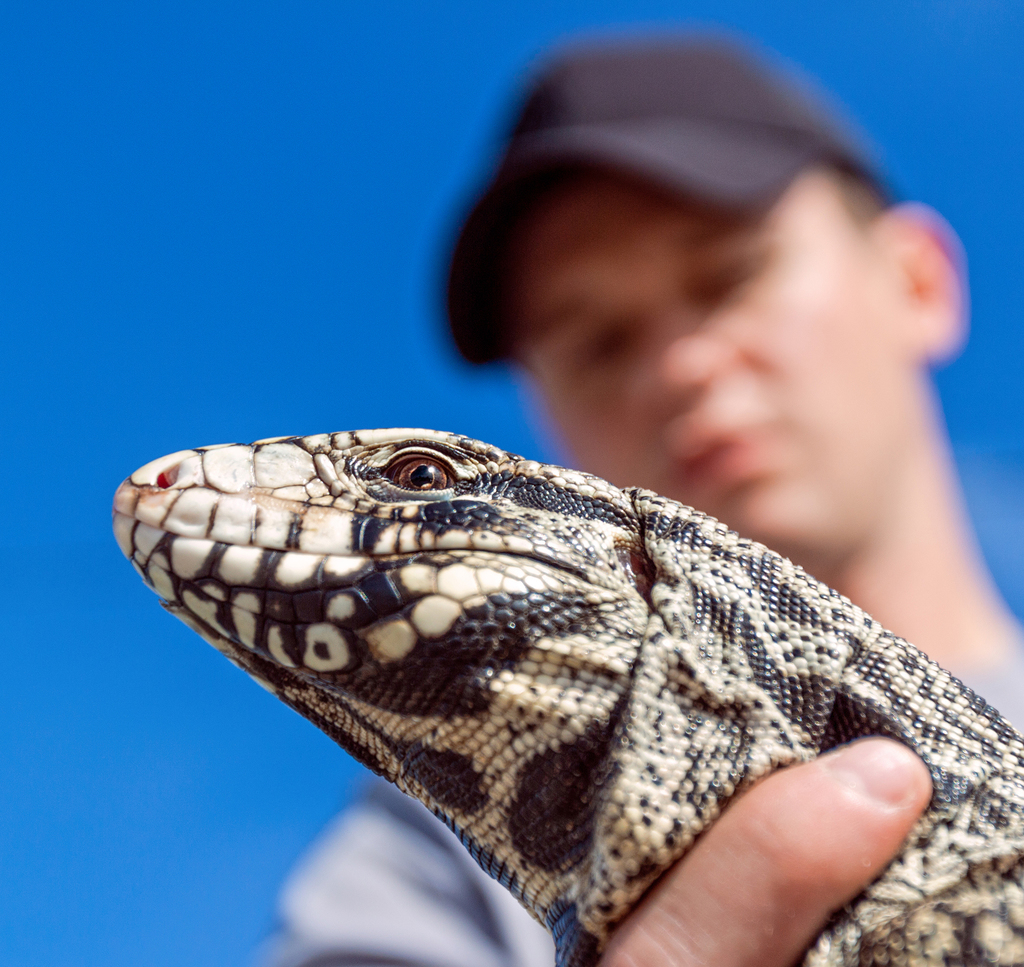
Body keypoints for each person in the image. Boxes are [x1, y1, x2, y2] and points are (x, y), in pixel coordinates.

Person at [260, 38, 1024, 967]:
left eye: (729, 275)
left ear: (919, 281)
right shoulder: (440, 855)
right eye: (600, 343)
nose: (680, 368)